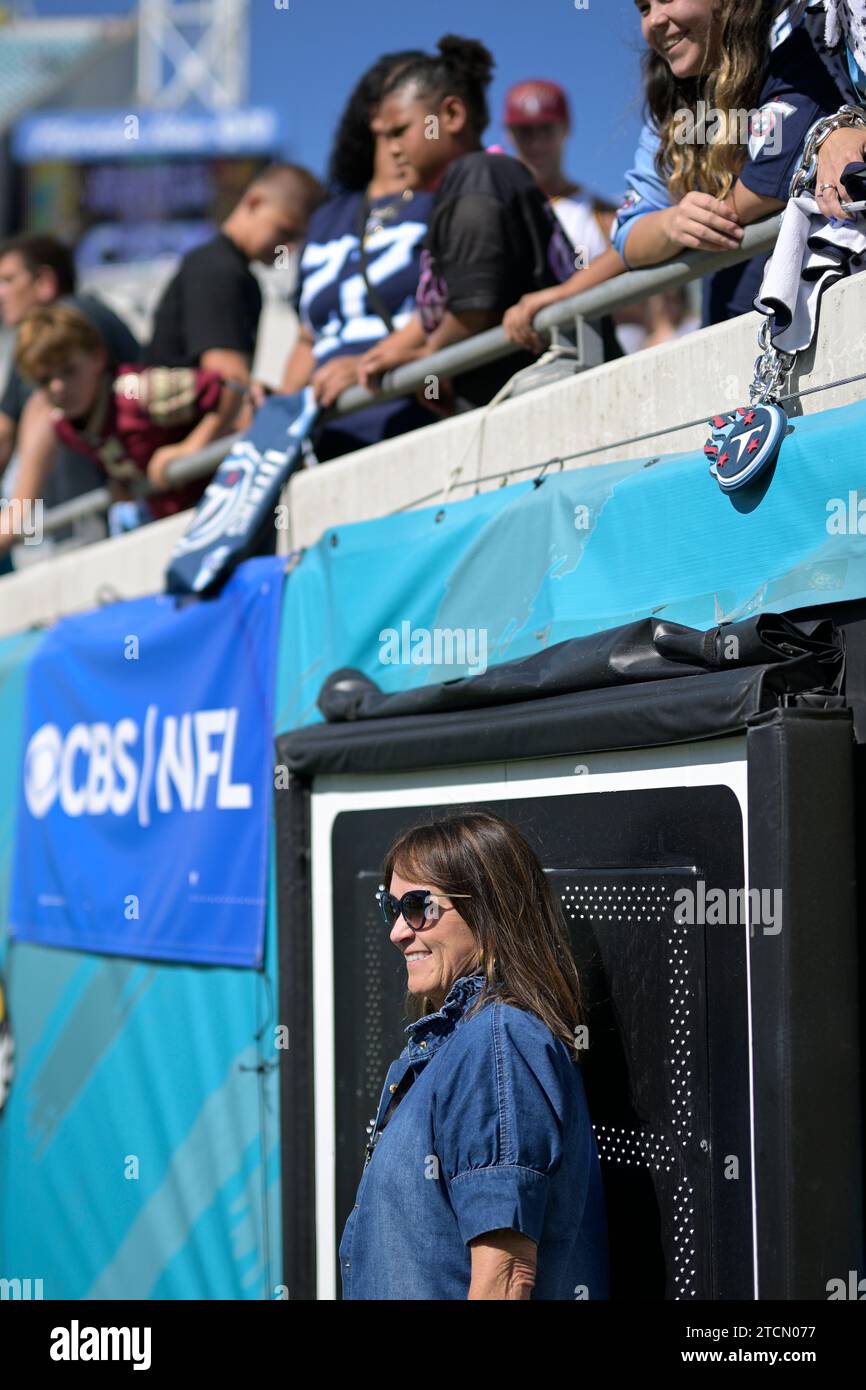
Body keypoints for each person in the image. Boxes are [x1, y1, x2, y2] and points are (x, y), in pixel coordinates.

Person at [339, 809, 609, 1301]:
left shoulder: (497, 1042)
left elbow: (505, 1279)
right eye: (393, 907)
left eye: (419, 906)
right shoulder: (459, 1043)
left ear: (489, 910)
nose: (399, 930)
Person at [357, 36, 620, 411]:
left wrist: (430, 358)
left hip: (560, 405)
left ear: (451, 116)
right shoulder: (472, 183)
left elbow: (474, 309)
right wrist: (382, 354)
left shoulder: (479, 177)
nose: (392, 149)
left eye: (399, 131)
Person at [613, 0, 849, 324]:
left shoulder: (795, 39)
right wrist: (673, 224)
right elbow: (628, 236)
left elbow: (769, 180)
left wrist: (721, 212)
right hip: (734, 329)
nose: (655, 20)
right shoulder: (671, 109)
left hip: (828, 308)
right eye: (643, 8)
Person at [279, 52, 437, 459]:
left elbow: (457, 300)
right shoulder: (328, 218)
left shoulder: (447, 198)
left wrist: (370, 365)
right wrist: (274, 415)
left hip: (410, 425)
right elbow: (306, 337)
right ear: (375, 116)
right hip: (325, 441)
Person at [0, 304, 241, 556]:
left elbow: (231, 389)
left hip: (225, 510)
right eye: (44, 380)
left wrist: (189, 448)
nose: (58, 387)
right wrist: (122, 480)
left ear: (97, 357)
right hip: (184, 524)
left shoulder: (137, 394)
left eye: (69, 370)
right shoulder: (65, 425)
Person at [143, 163, 324, 398]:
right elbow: (229, 382)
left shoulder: (228, 268)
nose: (288, 248)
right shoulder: (219, 270)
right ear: (254, 202)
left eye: (298, 239)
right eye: (284, 232)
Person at [0, 233, 140, 475]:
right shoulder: (36, 334)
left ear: (44, 282)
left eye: (8, 280)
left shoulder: (68, 321)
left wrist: (18, 509)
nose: (57, 387)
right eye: (44, 379)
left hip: (95, 502)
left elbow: (40, 410)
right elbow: (5, 426)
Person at [502, 78, 616, 262]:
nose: (536, 142)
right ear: (508, 133)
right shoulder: (493, 211)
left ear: (566, 128)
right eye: (525, 130)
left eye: (546, 129)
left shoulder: (605, 218)